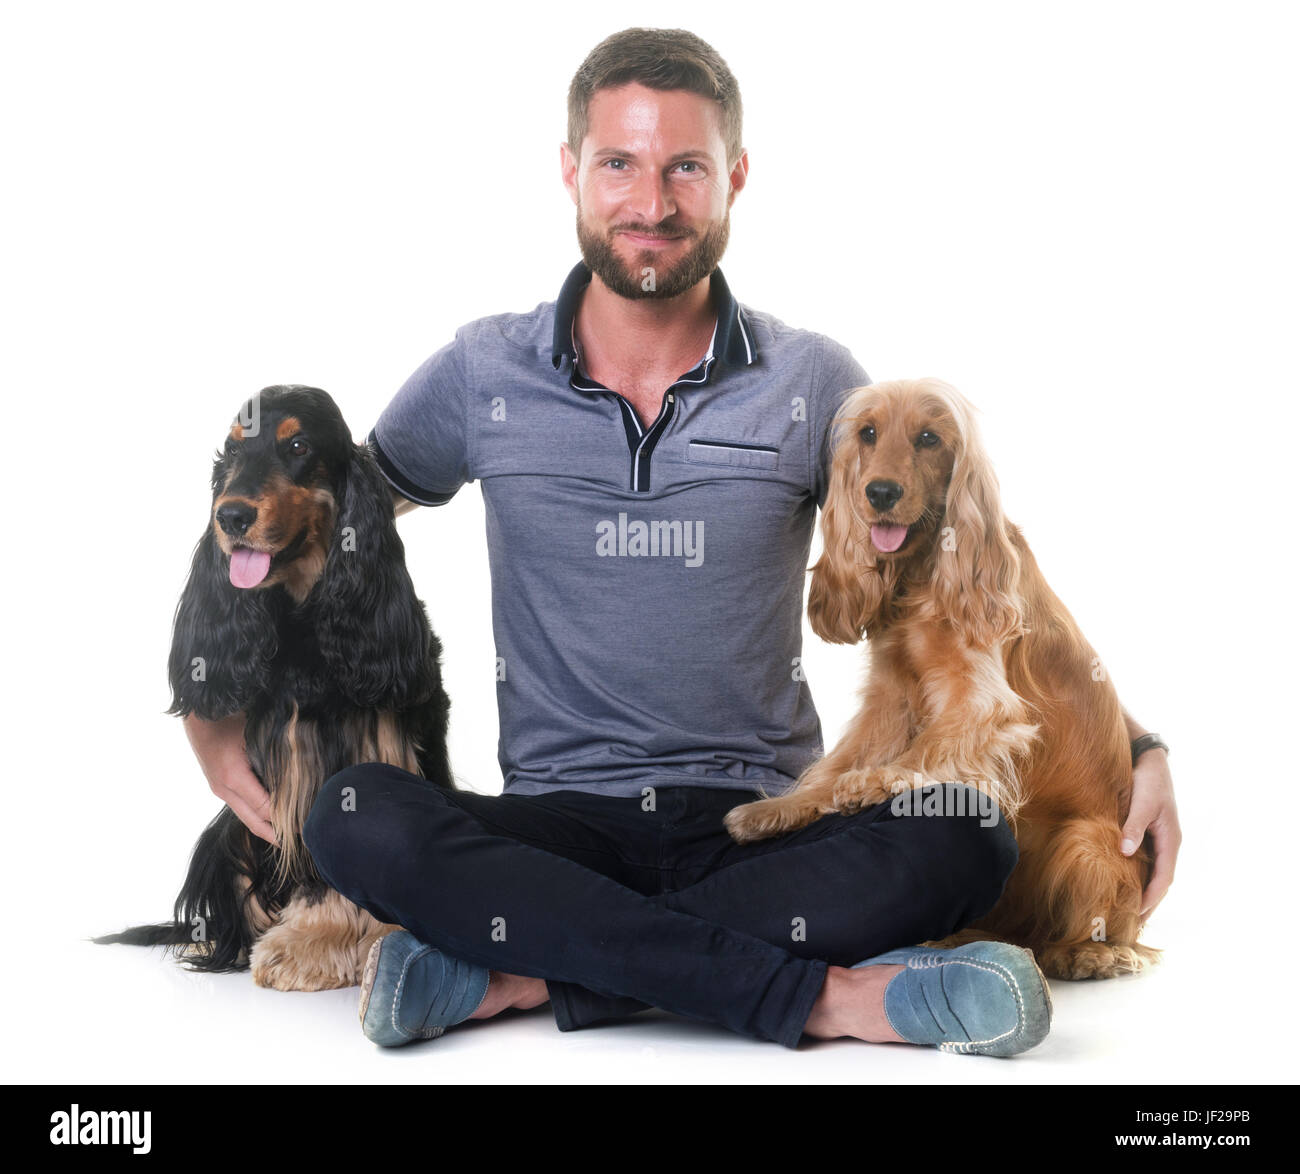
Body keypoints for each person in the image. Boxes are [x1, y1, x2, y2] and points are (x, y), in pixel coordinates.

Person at [187, 27, 1180, 1053]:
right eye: (618, 163)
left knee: (967, 838)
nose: (650, 204)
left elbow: (975, 557)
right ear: (571, 169)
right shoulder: (483, 372)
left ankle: (518, 975)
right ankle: (837, 999)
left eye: (684, 169)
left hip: (770, 825)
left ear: (735, 177)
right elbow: (313, 509)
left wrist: (1132, 742)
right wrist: (208, 706)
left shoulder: (815, 383)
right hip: (557, 828)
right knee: (357, 813)